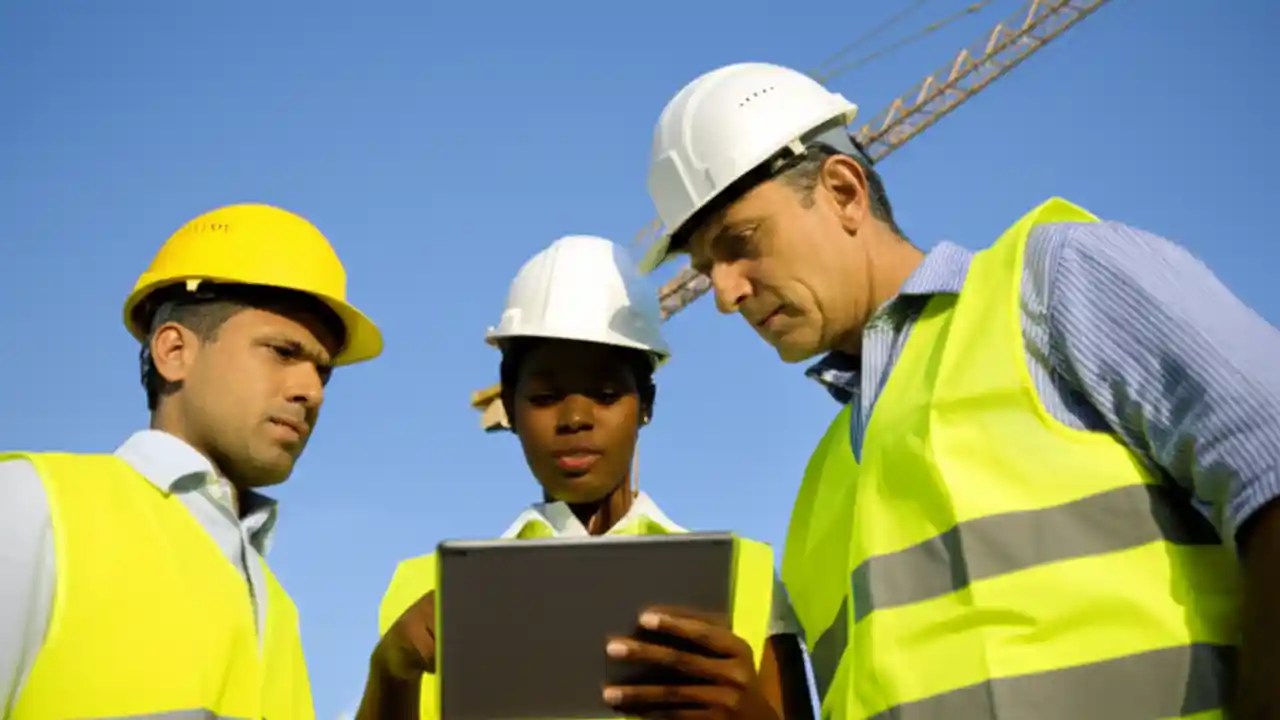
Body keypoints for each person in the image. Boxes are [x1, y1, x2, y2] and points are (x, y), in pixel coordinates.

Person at [639, 61, 1280, 719]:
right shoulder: (817, 496)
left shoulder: (1053, 286)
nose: (724, 293)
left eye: (741, 243)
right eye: (706, 268)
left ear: (842, 191)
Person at [357, 234, 813, 720]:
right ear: (509, 410)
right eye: (545, 397)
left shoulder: (746, 575)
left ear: (646, 406)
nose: (576, 417)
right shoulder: (423, 589)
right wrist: (391, 671)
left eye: (605, 393)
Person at [0, 203, 383, 720]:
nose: (310, 391)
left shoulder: (277, 609)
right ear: (174, 351)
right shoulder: (30, 505)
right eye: (282, 352)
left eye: (323, 372)